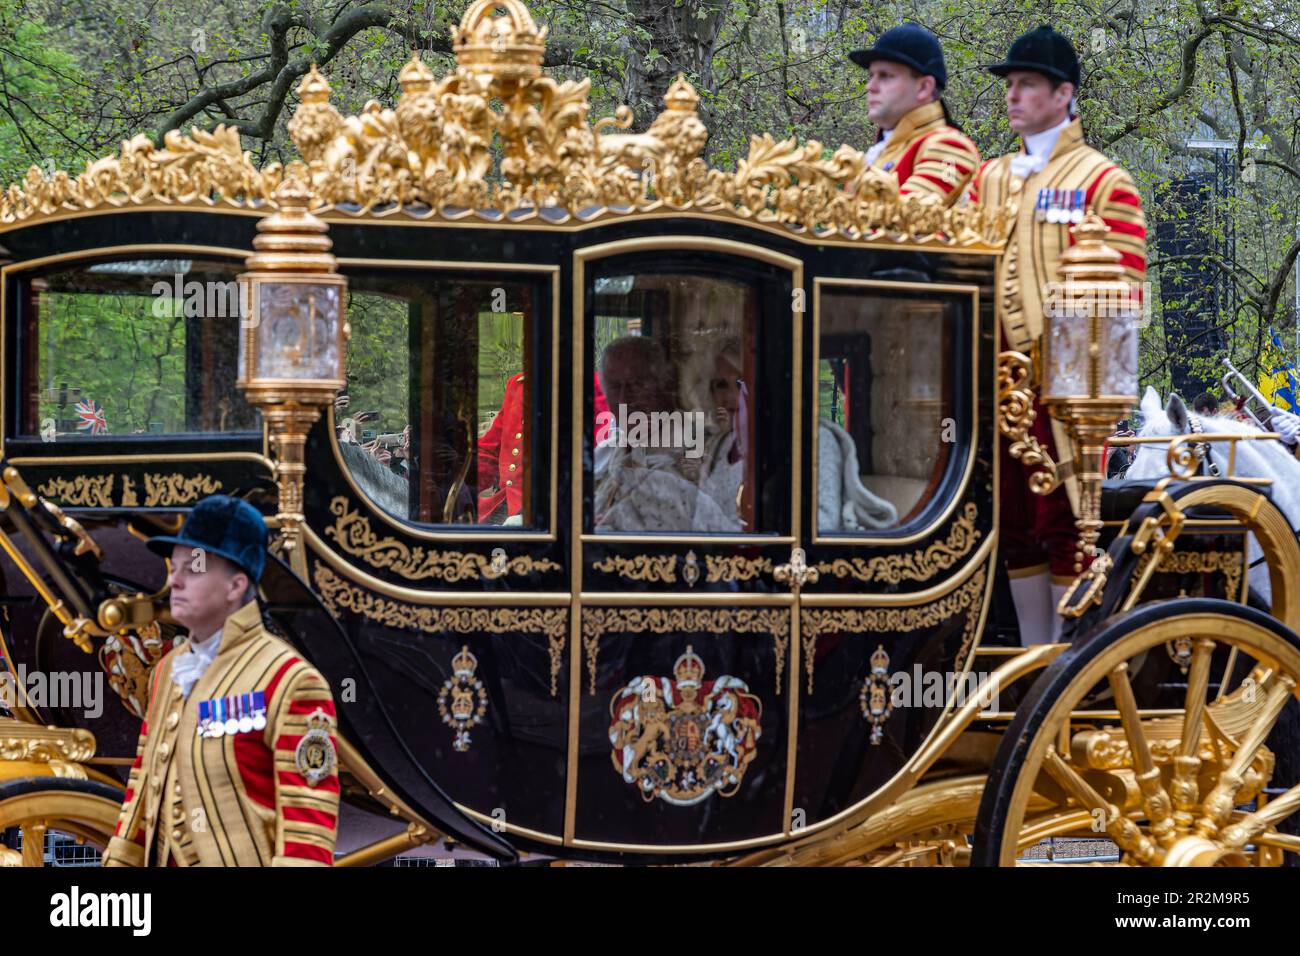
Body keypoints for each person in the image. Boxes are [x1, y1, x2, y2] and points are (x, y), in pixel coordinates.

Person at [970, 26, 1147, 645]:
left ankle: (1066, 665)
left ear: (1063, 93)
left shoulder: (1105, 180)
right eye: (1011, 85)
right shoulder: (989, 179)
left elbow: (1124, 296)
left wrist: (1085, 393)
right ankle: (1032, 658)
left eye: (1027, 85)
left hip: (1068, 387)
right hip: (998, 382)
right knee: (1014, 524)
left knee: (1066, 521)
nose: (1012, 96)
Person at [102, 495, 340, 867]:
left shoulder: (290, 680)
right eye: (173, 565)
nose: (174, 580)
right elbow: (142, 787)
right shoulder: (168, 671)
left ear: (235, 585)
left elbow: (306, 828)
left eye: (193, 566)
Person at [594, 336, 740, 532]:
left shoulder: (707, 447)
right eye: (614, 387)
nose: (624, 399)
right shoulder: (602, 453)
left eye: (636, 384)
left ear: (666, 385)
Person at [848, 23, 980, 205]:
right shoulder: (886, 148)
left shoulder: (949, 146)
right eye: (871, 76)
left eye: (885, 76)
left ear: (924, 87)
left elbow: (904, 225)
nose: (870, 86)